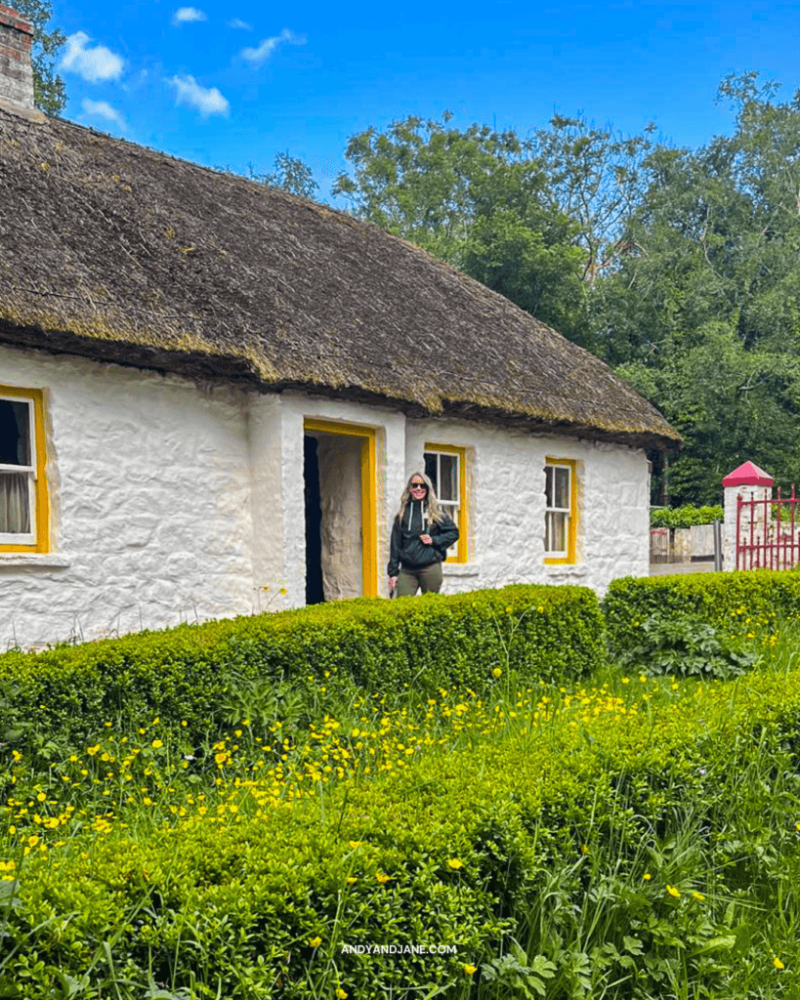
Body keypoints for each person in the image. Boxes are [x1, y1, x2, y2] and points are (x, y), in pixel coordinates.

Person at [387, 471, 459, 597]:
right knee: (403, 604)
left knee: (430, 605)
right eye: (415, 485)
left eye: (422, 485)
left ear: (427, 488)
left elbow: (453, 533)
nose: (418, 488)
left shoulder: (435, 513)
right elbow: (395, 545)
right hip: (407, 570)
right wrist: (393, 573)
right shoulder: (402, 514)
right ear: (410, 488)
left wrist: (434, 540)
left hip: (430, 568)